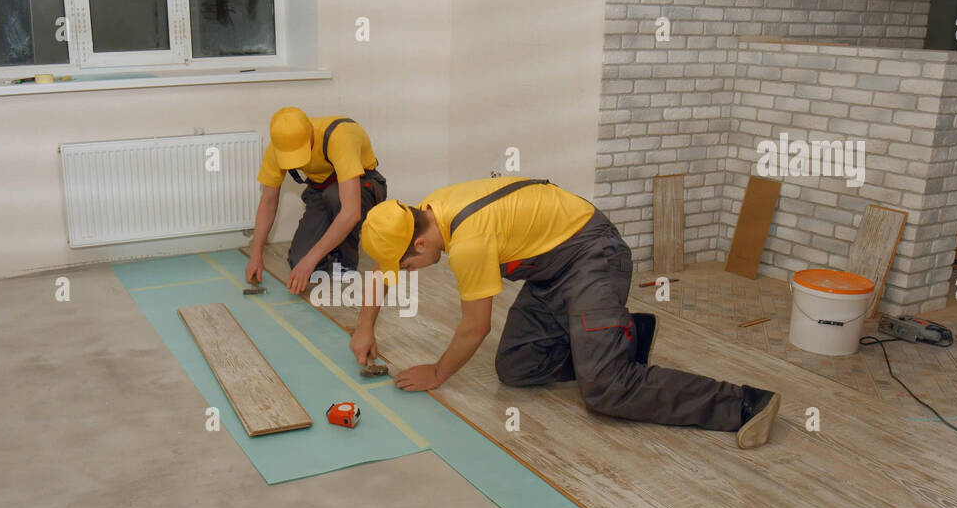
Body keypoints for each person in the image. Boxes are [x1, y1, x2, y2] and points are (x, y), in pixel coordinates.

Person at [353, 176, 782, 448]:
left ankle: (744, 404)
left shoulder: (467, 241)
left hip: (594, 255)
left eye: (406, 265)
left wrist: (438, 372)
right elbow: (381, 270)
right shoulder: (430, 210)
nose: (406, 272)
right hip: (551, 268)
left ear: (422, 244)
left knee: (606, 389)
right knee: (518, 367)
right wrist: (364, 328)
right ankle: (625, 334)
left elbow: (475, 327)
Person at [244, 107, 388, 294]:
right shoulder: (276, 148)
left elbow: (351, 212)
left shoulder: (340, 136)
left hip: (363, 187)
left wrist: (310, 261)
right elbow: (268, 201)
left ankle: (345, 259)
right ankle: (328, 246)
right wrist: (256, 255)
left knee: (335, 198)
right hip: (321, 191)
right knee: (299, 262)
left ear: (311, 131)